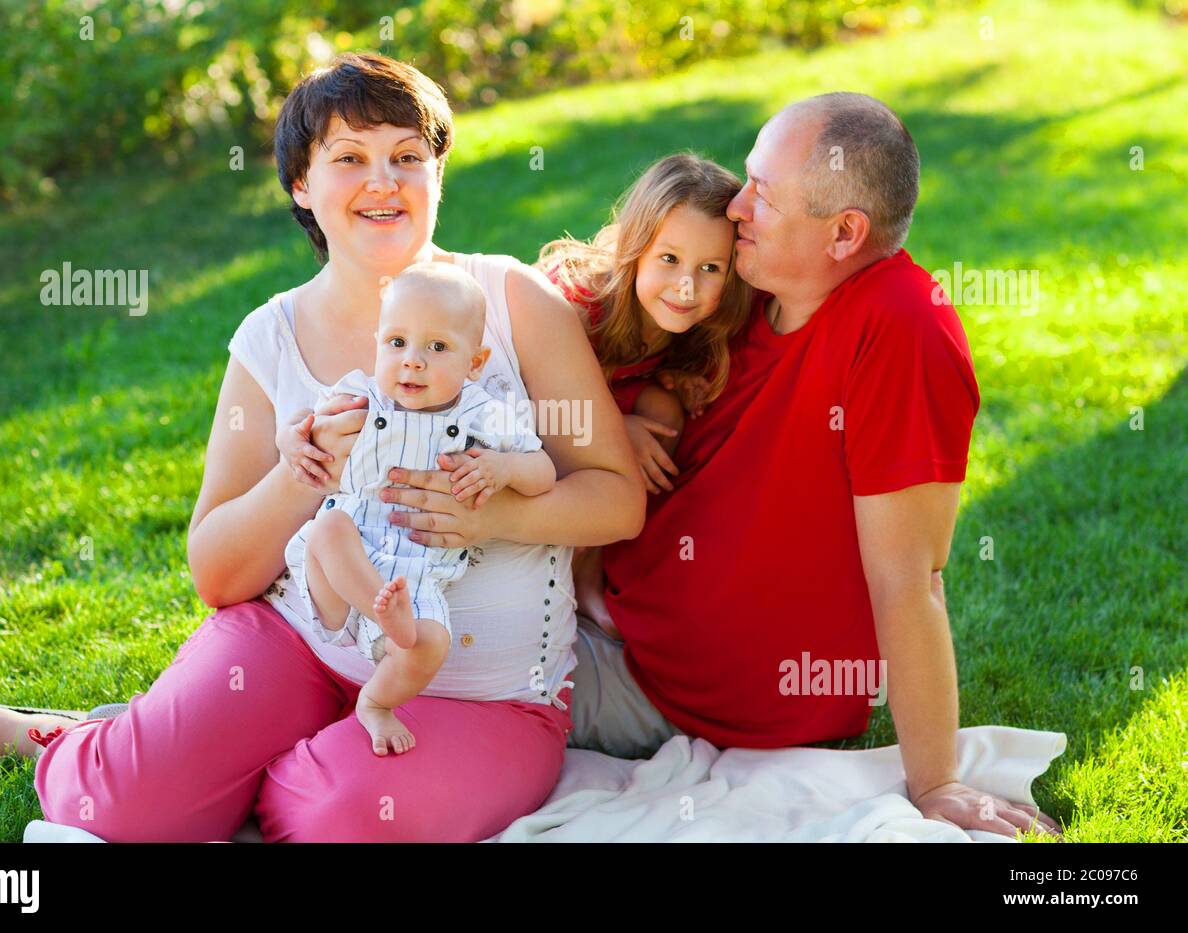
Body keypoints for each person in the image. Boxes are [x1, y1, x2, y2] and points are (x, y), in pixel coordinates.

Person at [0, 52, 643, 843]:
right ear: (302, 184)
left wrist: (490, 516)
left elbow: (618, 497)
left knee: (338, 817)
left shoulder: (510, 303)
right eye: (349, 159)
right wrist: (304, 477)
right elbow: (219, 573)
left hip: (483, 687)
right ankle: (84, 741)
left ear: (438, 175)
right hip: (297, 644)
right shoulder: (270, 340)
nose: (383, 180)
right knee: (121, 807)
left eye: (407, 157)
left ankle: (232, 756)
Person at [565, 92, 1063, 838]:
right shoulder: (736, 287)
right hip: (595, 607)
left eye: (762, 192)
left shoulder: (899, 328)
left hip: (650, 681)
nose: (736, 205)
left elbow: (910, 578)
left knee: (406, 682)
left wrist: (937, 783)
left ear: (844, 233)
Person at [279, 261, 555, 756]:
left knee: (431, 644)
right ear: (378, 343)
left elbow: (542, 472)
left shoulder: (484, 414)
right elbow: (299, 424)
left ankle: (376, 702)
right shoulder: (362, 396)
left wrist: (504, 469)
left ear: (475, 362)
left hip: (416, 582)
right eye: (397, 343)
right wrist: (292, 444)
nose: (413, 362)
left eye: (437, 347)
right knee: (329, 527)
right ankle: (372, 606)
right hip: (345, 568)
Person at [538, 152, 752, 635]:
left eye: (711, 268)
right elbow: (534, 405)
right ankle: (549, 579)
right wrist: (615, 434)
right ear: (635, 249)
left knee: (662, 410)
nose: (685, 286)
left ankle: (590, 575)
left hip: (602, 416)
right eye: (670, 259)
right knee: (635, 426)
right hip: (535, 423)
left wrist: (675, 382)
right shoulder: (577, 306)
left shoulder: (699, 326)